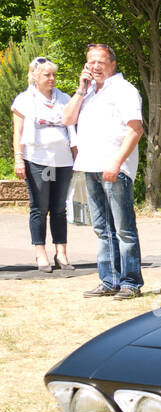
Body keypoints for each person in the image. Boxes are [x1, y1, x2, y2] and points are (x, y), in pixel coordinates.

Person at [62, 43, 143, 299]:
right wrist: (79, 90)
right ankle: (109, 281)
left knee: (124, 229)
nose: (95, 66)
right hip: (90, 166)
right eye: (90, 62)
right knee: (102, 229)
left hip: (114, 168)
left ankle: (131, 282)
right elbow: (66, 119)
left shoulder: (124, 90)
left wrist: (116, 163)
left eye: (100, 61)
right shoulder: (87, 94)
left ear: (113, 64)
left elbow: (135, 129)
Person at [11, 55, 76, 272]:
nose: (52, 79)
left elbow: (72, 127)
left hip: (63, 161)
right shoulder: (24, 100)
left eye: (54, 75)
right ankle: (40, 253)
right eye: (47, 75)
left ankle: (62, 253)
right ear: (35, 77)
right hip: (40, 161)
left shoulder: (64, 99)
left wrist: (77, 154)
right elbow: (17, 132)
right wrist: (18, 158)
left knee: (59, 208)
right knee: (40, 207)